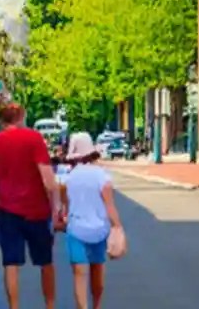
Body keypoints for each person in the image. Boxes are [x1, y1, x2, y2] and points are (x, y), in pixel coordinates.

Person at [0, 103, 63, 309]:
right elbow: (48, 180)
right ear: (22, 116)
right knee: (45, 262)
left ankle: (14, 307)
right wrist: (57, 208)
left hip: (7, 211)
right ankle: (50, 305)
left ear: (2, 119)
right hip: (37, 211)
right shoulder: (34, 138)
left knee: (11, 263)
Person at [58, 132, 123, 309]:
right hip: (99, 230)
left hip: (76, 230)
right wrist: (118, 227)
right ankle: (96, 305)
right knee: (97, 273)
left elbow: (65, 208)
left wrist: (62, 218)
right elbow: (110, 206)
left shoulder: (67, 178)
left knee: (79, 274)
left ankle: (82, 307)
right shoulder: (102, 176)